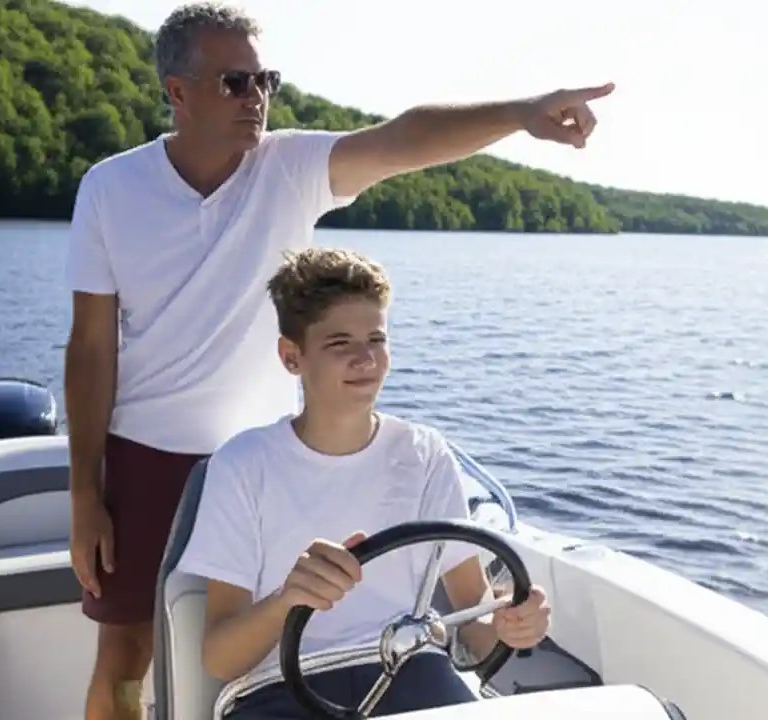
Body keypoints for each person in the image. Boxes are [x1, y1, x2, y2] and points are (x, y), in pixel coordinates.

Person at [63, 2, 609, 718]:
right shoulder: (110, 188)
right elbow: (92, 348)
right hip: (144, 456)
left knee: (285, 640)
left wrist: (523, 112)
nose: (256, 98)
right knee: (127, 662)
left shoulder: (287, 168)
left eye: (267, 81)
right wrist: (83, 495)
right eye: (235, 82)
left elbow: (403, 138)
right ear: (178, 91)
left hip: (265, 465)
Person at [176, 247, 552, 719]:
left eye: (376, 339)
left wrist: (509, 622)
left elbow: (473, 618)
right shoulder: (242, 465)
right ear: (292, 357)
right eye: (340, 344)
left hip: (415, 671)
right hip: (276, 690)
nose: (366, 359)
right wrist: (288, 599)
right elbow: (219, 656)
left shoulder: (426, 453)